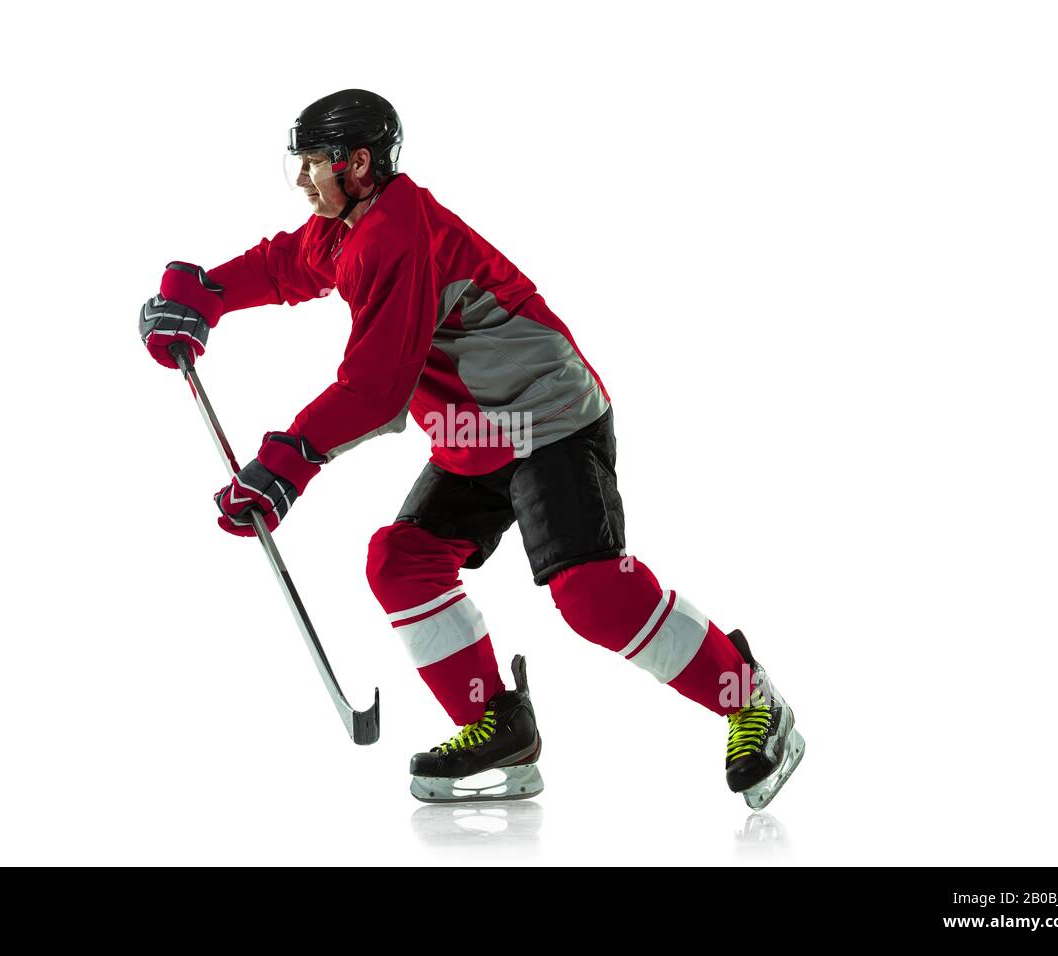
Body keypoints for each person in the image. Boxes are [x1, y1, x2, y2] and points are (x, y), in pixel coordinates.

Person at [139, 89, 805, 808]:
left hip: (547, 418)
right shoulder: (347, 226)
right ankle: (496, 726)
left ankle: (751, 698)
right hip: (481, 433)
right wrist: (205, 293)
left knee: (592, 594)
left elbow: (375, 390)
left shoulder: (395, 233)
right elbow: (286, 267)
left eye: (313, 165)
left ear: (358, 164)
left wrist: (284, 467)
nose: (302, 179)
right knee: (402, 562)